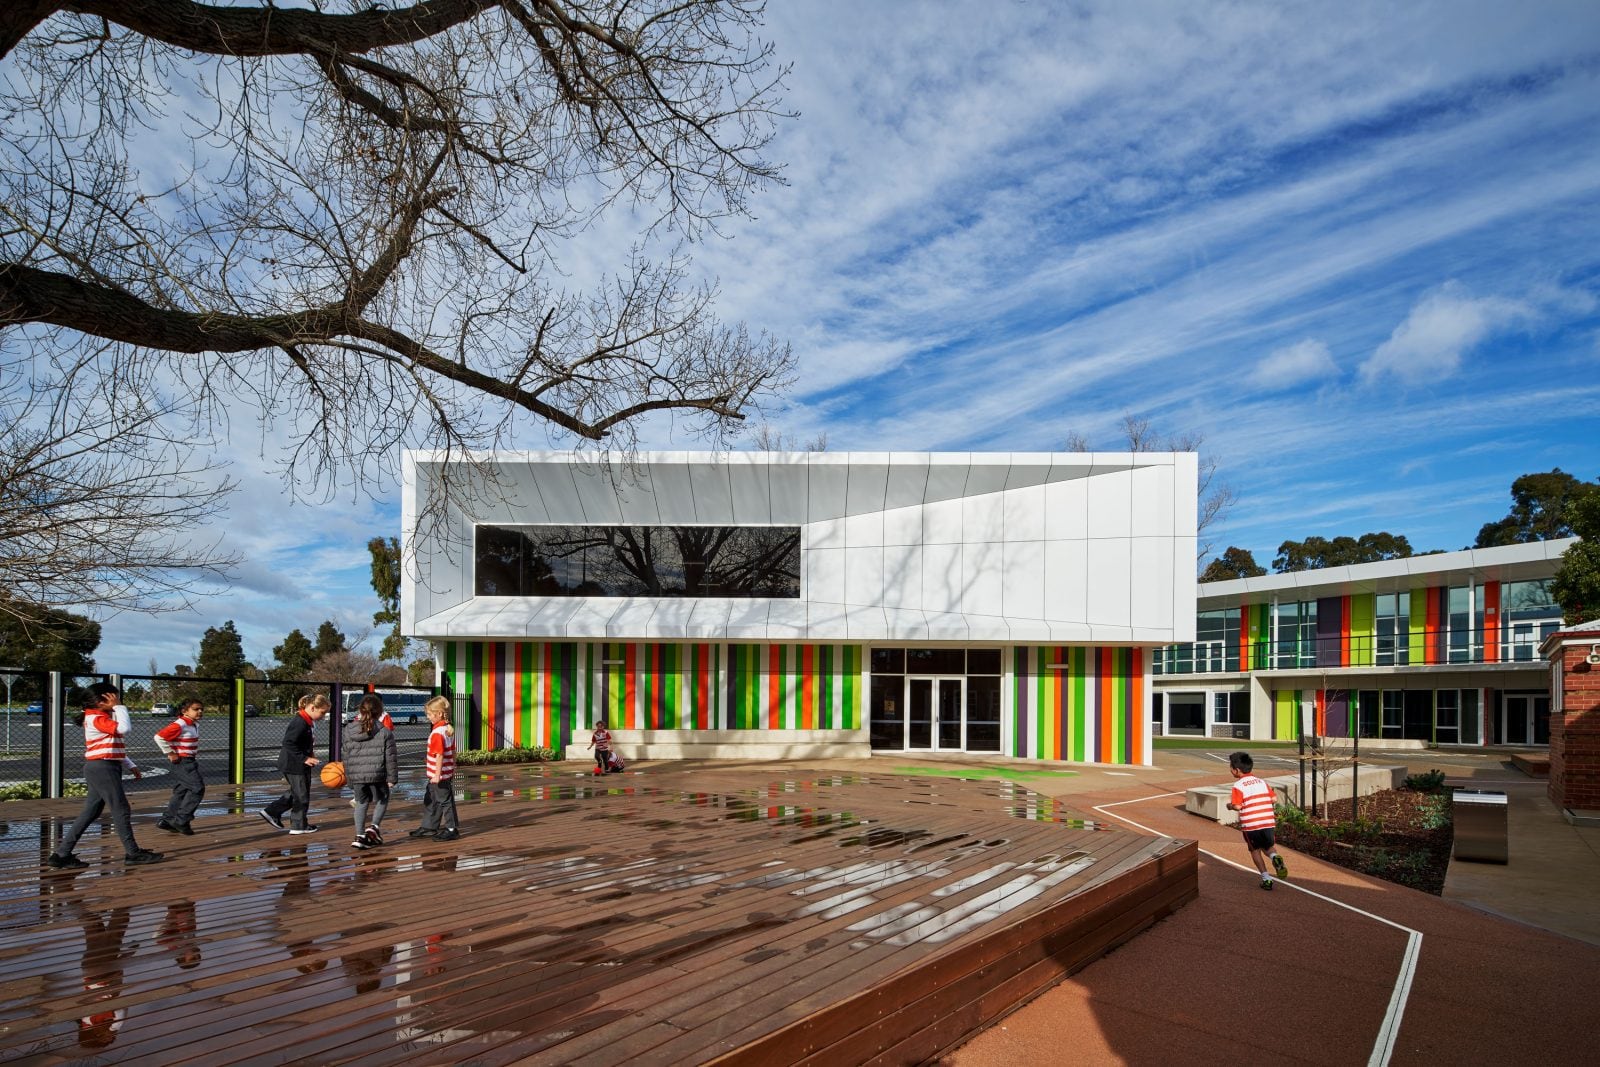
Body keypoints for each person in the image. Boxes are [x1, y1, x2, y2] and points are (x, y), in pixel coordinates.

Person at [47, 683, 163, 869]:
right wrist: (120, 707)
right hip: (103, 768)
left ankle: (61, 855)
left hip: (103, 766)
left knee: (91, 812)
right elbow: (124, 729)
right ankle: (132, 853)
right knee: (121, 808)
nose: (117, 701)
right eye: (114, 698)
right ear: (102, 700)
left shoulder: (100, 717)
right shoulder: (95, 718)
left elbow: (110, 747)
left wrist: (129, 764)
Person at [260, 693, 328, 834]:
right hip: (294, 764)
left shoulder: (306, 721)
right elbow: (289, 742)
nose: (324, 716)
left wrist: (310, 754)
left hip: (296, 763)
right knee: (301, 795)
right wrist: (304, 758)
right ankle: (298, 825)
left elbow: (302, 742)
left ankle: (272, 811)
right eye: (322, 712)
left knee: (297, 792)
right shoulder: (300, 722)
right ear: (312, 707)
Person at [342, 693, 398, 850]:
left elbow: (345, 755)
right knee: (383, 798)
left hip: (357, 775)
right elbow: (391, 757)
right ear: (380, 712)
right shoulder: (385, 732)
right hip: (377, 774)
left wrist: (349, 777)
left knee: (361, 803)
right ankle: (374, 827)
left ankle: (359, 835)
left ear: (360, 710)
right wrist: (392, 778)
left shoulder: (348, 730)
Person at [1226, 751, 1289, 890]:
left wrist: (1229, 806)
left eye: (1231, 767)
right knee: (1268, 846)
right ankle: (1274, 857)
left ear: (1237, 770)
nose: (1230, 770)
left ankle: (1266, 879)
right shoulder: (1262, 782)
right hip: (1267, 821)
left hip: (1251, 824)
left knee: (1255, 850)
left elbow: (1237, 806)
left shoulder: (1238, 786)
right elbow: (1273, 798)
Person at [153, 698, 205, 836]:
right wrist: (170, 753)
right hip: (183, 762)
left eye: (201, 709)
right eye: (195, 709)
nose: (199, 711)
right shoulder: (180, 724)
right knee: (197, 788)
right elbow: (159, 737)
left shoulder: (193, 724)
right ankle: (182, 819)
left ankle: (167, 820)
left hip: (189, 760)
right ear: (184, 711)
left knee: (182, 791)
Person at [410, 696, 459, 841]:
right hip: (441, 773)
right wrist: (453, 767)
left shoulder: (438, 733)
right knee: (431, 798)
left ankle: (451, 828)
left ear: (439, 714)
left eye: (430, 714)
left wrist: (437, 775)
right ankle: (429, 826)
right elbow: (453, 751)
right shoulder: (446, 730)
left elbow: (439, 755)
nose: (428, 717)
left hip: (439, 775)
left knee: (444, 801)